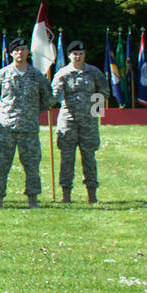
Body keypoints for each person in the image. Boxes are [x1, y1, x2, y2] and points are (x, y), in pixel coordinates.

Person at [0, 38, 57, 209]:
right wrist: (2, 113)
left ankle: (33, 199)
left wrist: (32, 112)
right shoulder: (2, 75)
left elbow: (48, 99)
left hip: (28, 128)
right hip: (5, 128)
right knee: (1, 164)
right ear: (11, 53)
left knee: (32, 164)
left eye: (23, 49)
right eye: (16, 50)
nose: (20, 53)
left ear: (28, 52)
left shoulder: (37, 76)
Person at [52, 39, 111, 203]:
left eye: (80, 54)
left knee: (89, 158)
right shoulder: (63, 74)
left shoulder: (94, 72)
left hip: (88, 123)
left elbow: (104, 91)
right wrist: (47, 103)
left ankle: (92, 194)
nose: (77, 57)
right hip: (68, 122)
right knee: (67, 158)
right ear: (69, 55)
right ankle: (66, 195)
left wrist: (95, 113)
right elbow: (54, 95)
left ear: (84, 55)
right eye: (74, 54)